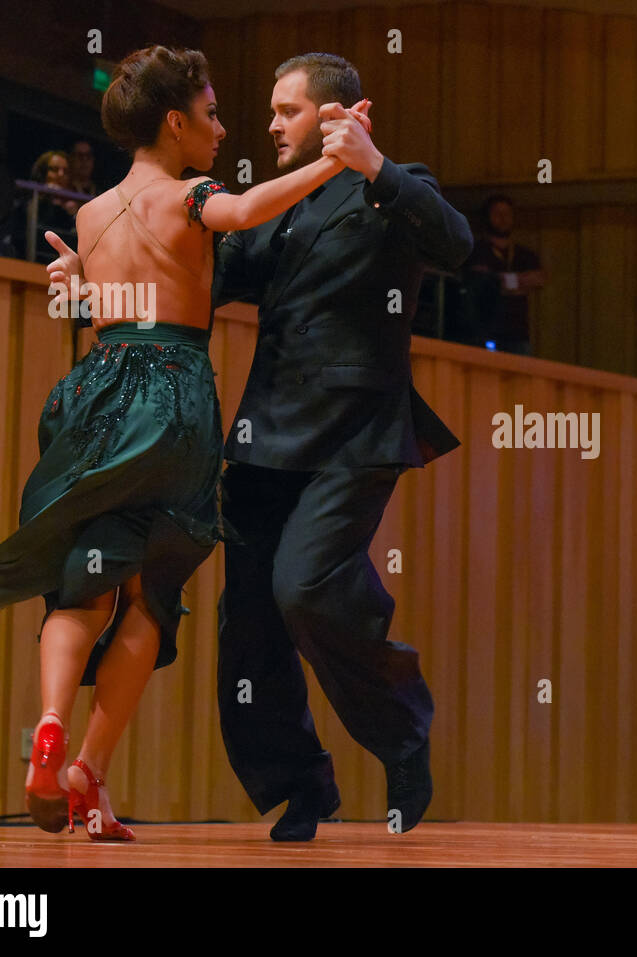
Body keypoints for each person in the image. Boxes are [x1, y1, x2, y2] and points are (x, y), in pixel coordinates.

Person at [0, 44, 369, 843]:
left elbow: (98, 310)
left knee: (81, 585)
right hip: (171, 397)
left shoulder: (91, 213)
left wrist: (78, 288)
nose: (223, 129)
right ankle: (90, 766)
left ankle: (52, 725)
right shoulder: (194, 195)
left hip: (94, 394)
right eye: (212, 114)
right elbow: (247, 211)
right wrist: (334, 164)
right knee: (151, 594)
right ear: (175, 122)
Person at [212, 52, 472, 841]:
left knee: (307, 588)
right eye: (271, 110)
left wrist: (376, 167)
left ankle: (401, 734)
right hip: (265, 436)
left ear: (338, 115)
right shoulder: (275, 205)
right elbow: (209, 277)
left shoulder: (395, 185)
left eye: (286, 111)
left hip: (356, 431)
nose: (270, 125)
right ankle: (301, 783)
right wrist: (101, 277)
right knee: (248, 624)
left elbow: (456, 244)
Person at [461, 193, 544, 354]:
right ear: (487, 217)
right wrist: (518, 283)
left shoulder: (524, 254)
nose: (503, 218)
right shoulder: (476, 252)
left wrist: (500, 281)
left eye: (507, 214)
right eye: (497, 213)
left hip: (518, 334)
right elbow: (480, 283)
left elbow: (539, 279)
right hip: (483, 333)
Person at [19, 150, 78, 261]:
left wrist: (73, 215)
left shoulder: (72, 207)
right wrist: (45, 199)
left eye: (65, 171)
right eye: (54, 170)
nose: (61, 174)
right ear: (42, 173)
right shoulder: (30, 201)